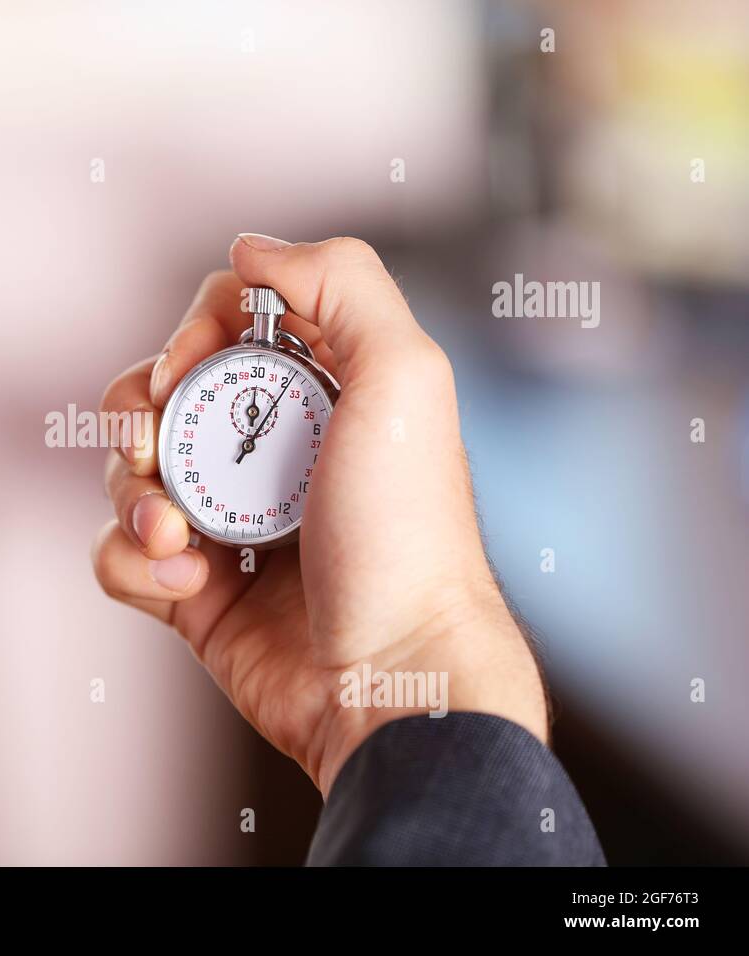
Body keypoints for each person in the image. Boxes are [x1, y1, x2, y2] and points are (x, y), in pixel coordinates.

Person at [92, 235, 605, 866]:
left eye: (264, 425)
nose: (250, 443)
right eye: (246, 432)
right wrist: (411, 663)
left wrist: (407, 656)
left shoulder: (334, 391)